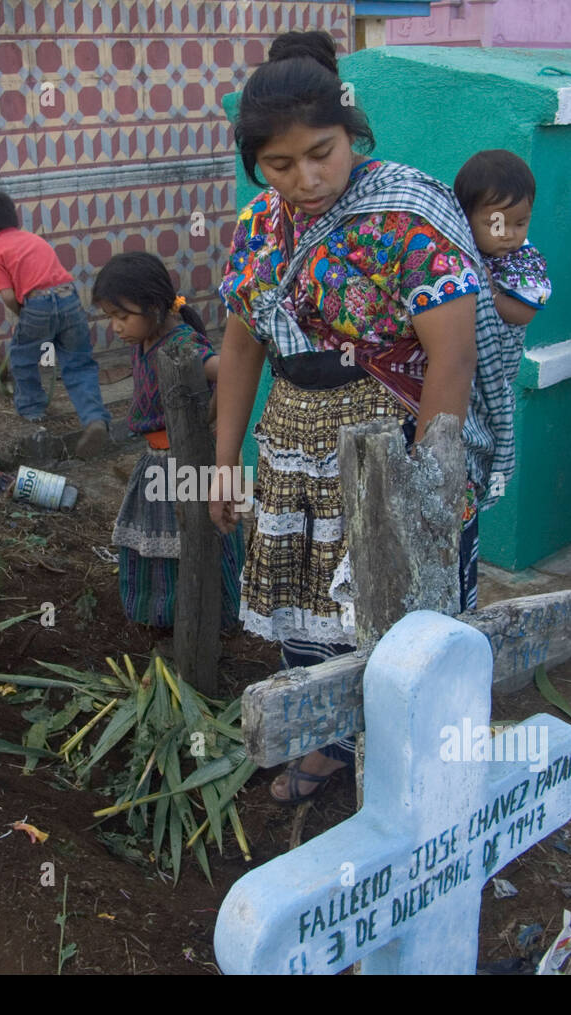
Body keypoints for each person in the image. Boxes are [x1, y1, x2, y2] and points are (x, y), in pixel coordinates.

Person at [208, 30, 517, 803]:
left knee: (400, 598)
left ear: (353, 135)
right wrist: (224, 458)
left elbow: (452, 357)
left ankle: (421, 742)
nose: (306, 178)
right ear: (255, 164)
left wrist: (425, 476)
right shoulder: (256, 229)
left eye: (322, 151)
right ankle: (331, 738)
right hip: (292, 444)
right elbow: (242, 347)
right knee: (309, 599)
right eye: (279, 164)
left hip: (391, 436)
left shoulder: (405, 212)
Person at [92, 252, 245, 629]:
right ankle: (166, 621)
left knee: (196, 545)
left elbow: (230, 370)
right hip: (156, 461)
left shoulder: (180, 344)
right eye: (111, 317)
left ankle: (207, 624)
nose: (115, 326)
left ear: (155, 308)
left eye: (122, 316)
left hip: (186, 464)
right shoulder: (146, 341)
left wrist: (207, 417)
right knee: (158, 545)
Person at [0, 190, 111, 459]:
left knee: (22, 356)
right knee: (78, 363)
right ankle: (94, 419)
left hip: (38, 303)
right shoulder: (33, 239)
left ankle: (32, 409)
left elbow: (8, 295)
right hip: (69, 297)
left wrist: (24, 313)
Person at [453, 149, 552, 332]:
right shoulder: (454, 246)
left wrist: (491, 294)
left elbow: (525, 315)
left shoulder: (522, 262)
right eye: (496, 224)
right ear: (465, 216)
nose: (509, 235)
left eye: (520, 224)